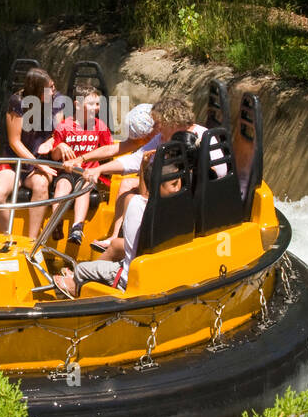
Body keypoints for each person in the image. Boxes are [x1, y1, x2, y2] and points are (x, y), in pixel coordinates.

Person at [85, 97, 227, 251]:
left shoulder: (201, 136)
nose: (155, 128)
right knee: (127, 185)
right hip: (171, 188)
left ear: (171, 122)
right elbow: (135, 159)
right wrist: (99, 169)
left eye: (158, 124)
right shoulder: (163, 138)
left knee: (135, 199)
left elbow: (220, 173)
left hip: (191, 195)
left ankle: (132, 243)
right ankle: (118, 239)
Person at [56, 150, 181, 296]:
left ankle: (76, 287)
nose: (178, 187)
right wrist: (143, 167)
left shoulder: (137, 204)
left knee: (81, 269)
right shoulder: (176, 205)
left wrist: (144, 167)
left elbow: (142, 197)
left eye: (177, 183)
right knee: (115, 245)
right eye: (175, 183)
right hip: (144, 262)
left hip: (126, 275)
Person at [0, 67, 59, 236]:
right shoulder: (18, 102)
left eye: (53, 87)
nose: (53, 92)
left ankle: (32, 242)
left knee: (41, 185)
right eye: (49, 89)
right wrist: (37, 164)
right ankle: (9, 238)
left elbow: (59, 133)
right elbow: (15, 142)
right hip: (15, 162)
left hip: (40, 162)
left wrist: (50, 142)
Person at [50, 84, 114, 246]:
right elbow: (54, 156)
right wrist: (60, 147)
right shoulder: (64, 126)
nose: (96, 107)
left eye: (98, 104)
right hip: (67, 171)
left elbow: (109, 151)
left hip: (89, 171)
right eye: (91, 104)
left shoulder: (100, 127)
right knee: (62, 186)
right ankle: (56, 221)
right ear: (77, 104)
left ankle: (77, 227)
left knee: (84, 187)